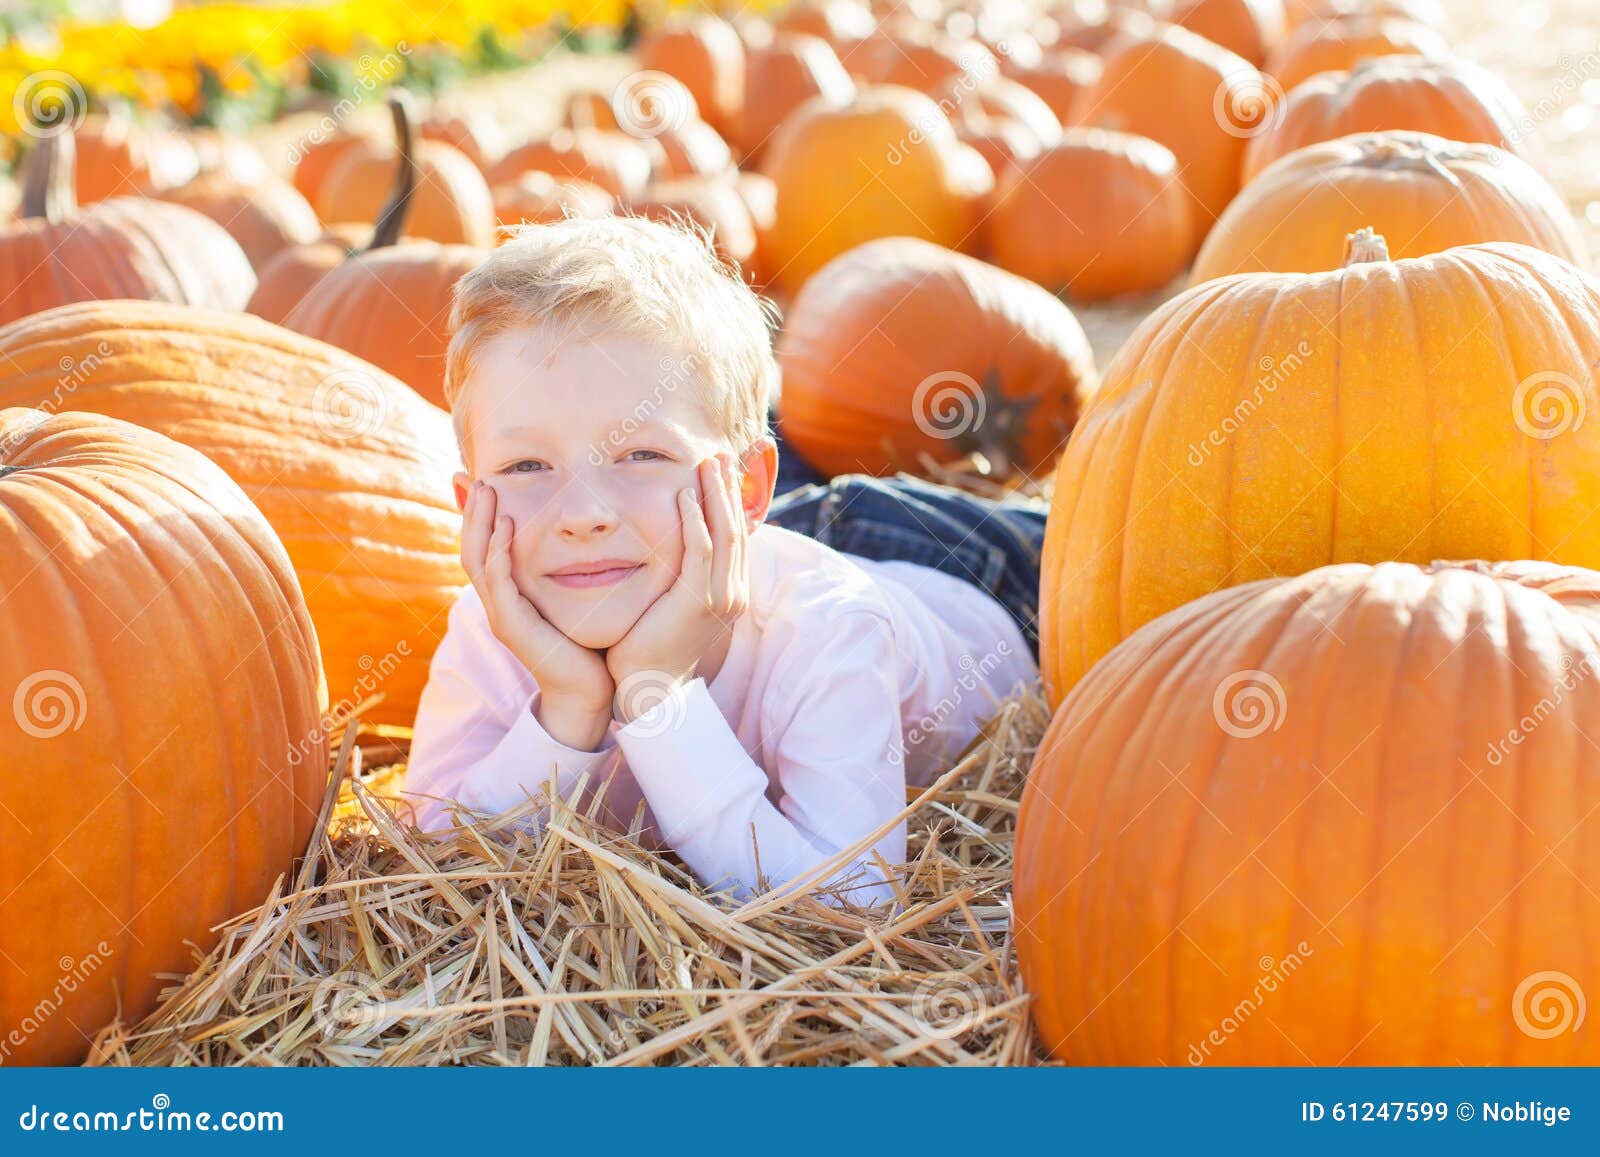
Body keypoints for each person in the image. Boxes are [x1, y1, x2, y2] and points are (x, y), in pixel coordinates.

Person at [404, 215, 1046, 910]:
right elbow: (431, 863)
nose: (579, 512)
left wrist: (655, 691)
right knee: (707, 445)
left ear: (744, 489)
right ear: (473, 505)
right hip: (681, 541)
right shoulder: (490, 621)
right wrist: (566, 707)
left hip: (961, 570)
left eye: (637, 452)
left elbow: (852, 905)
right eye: (527, 464)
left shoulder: (831, 635)